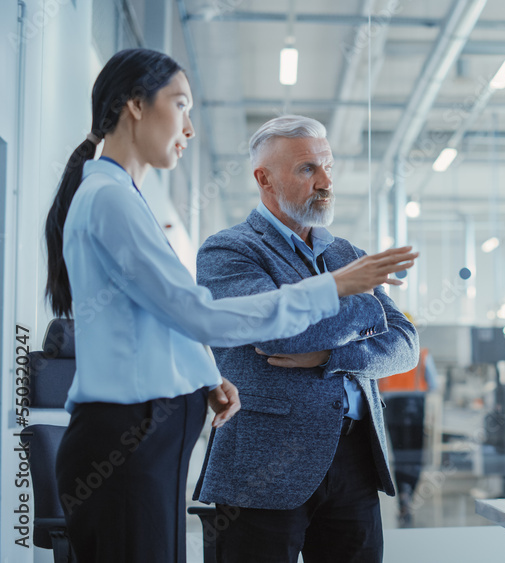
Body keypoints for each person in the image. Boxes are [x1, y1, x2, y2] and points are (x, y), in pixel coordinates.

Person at [43, 49, 415, 563]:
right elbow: (211, 318)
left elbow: (169, 316)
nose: (189, 128)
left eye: (327, 166)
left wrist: (205, 374)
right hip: (145, 440)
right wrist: (345, 291)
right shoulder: (127, 205)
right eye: (180, 105)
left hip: (165, 433)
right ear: (134, 105)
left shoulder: (123, 196)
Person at [193, 115, 419, 563]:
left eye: (328, 167)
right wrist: (363, 303)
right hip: (263, 466)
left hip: (355, 457)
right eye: (306, 169)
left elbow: (406, 345)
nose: (324, 182)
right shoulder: (230, 250)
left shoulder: (346, 254)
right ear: (265, 179)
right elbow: (278, 333)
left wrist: (331, 355)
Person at [378, 317, 440, 526]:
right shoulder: (421, 353)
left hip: (391, 408)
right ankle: (409, 498)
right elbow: (434, 384)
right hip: (415, 406)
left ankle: (402, 496)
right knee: (414, 455)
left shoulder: (384, 351)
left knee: (399, 454)